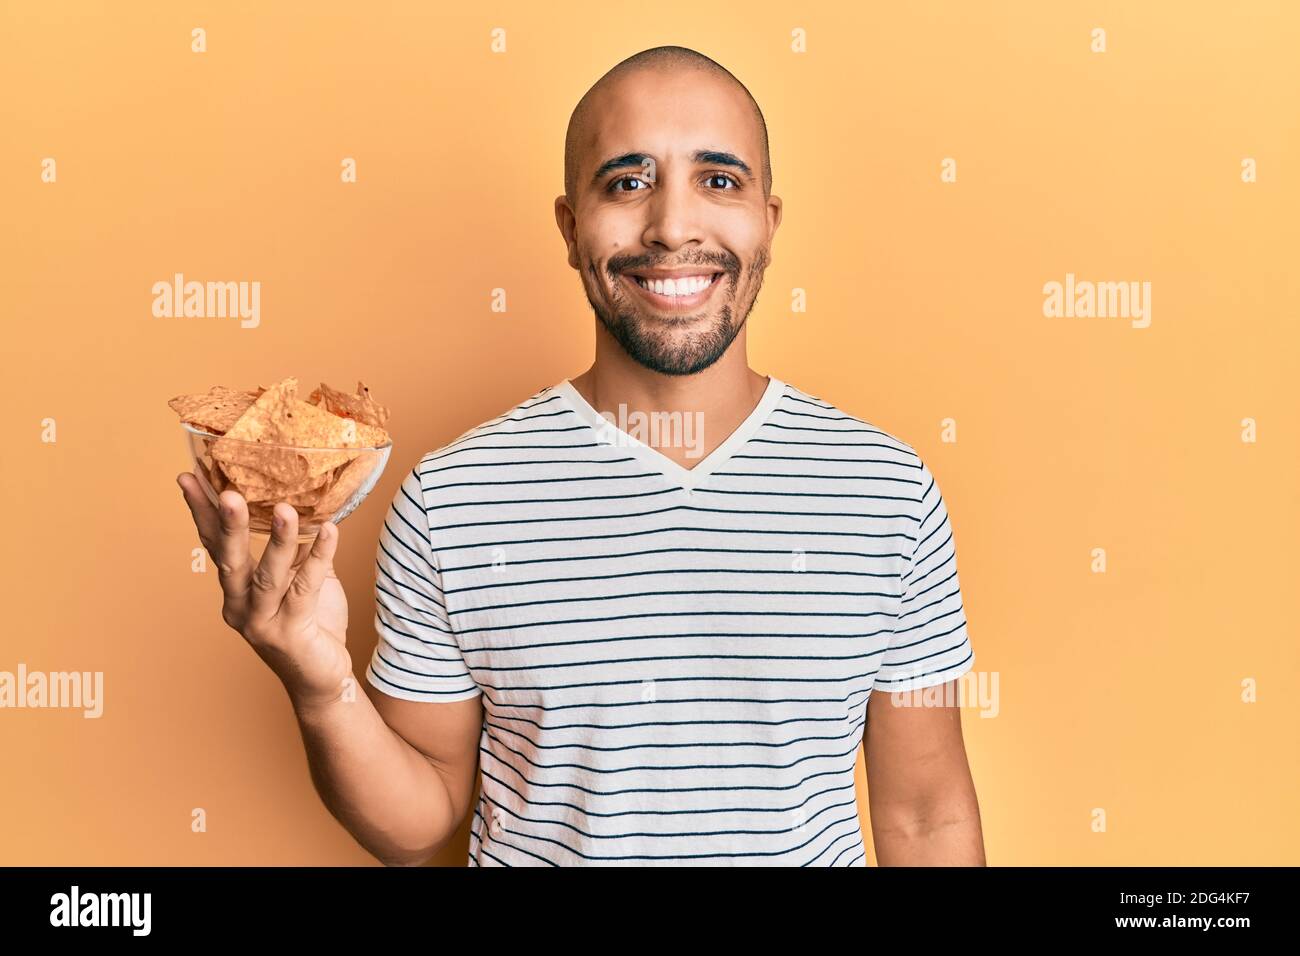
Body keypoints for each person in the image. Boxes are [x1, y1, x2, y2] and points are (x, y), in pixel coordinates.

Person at [177, 45, 984, 867]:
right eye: (628, 182)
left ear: (769, 223)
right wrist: (320, 688)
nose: (672, 226)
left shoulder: (887, 492)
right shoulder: (452, 502)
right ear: (570, 229)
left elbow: (926, 818)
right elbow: (418, 826)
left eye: (719, 180)